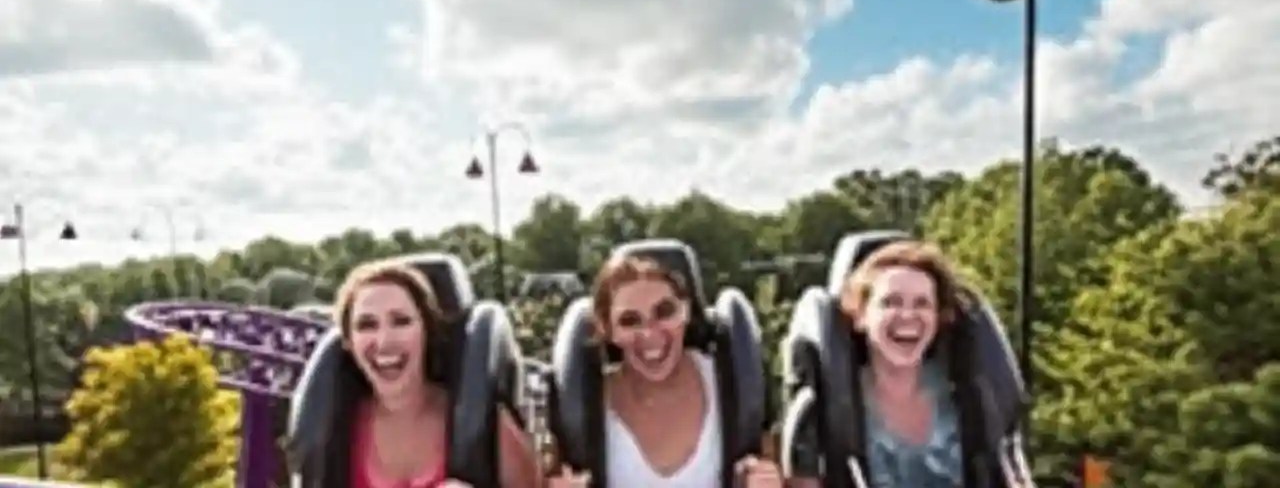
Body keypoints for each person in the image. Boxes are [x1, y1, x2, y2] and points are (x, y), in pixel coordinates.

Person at [788, 240, 1028, 488]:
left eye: (922, 304)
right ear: (860, 316)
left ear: (938, 318)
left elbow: (1010, 470)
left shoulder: (973, 399)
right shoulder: (830, 405)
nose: (907, 316)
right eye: (891, 302)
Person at [549, 254, 783, 488]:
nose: (650, 334)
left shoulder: (736, 386)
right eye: (630, 321)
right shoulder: (582, 409)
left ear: (686, 310)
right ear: (608, 330)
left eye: (664, 312)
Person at [316, 260, 542, 488]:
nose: (384, 341)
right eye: (367, 325)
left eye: (401, 321)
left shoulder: (480, 417)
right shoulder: (332, 427)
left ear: (426, 330)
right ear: (348, 341)